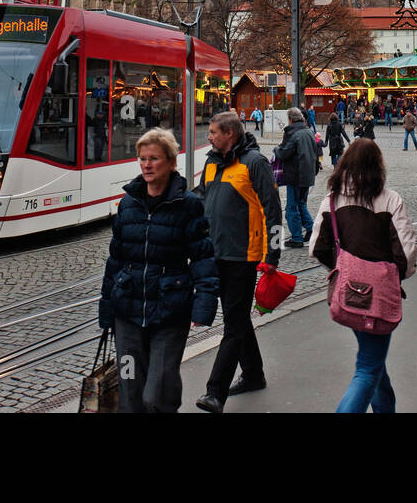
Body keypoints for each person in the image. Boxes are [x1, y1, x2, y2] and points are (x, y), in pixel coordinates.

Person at [99, 128, 218, 412]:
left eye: (154, 158)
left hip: (169, 310)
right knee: (130, 391)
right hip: (127, 311)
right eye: (142, 159)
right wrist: (107, 309)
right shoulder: (128, 204)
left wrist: (203, 306)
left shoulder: (188, 206)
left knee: (157, 392)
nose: (147, 165)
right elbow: (115, 260)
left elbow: (203, 258)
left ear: (170, 162)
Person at [309, 137, 417, 413]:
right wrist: (392, 277)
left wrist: (342, 269)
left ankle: (385, 409)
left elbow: (317, 247)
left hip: (348, 293)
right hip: (379, 295)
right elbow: (405, 253)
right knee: (368, 367)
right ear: (378, 167)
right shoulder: (390, 200)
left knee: (371, 360)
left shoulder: (331, 201)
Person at [193, 111, 282, 413]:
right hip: (215, 253)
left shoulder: (255, 163)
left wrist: (273, 255)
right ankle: (254, 375)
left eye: (214, 132)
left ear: (229, 134)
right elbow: (202, 200)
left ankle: (214, 393)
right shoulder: (211, 162)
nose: (209, 136)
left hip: (244, 257)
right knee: (239, 319)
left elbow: (274, 210)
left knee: (232, 324)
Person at [274, 107, 317, 248]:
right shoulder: (309, 131)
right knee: (301, 204)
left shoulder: (292, 133)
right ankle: (311, 230)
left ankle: (297, 238)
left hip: (295, 176)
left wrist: (276, 149)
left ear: (290, 119)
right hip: (308, 175)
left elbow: (284, 153)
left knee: (292, 208)